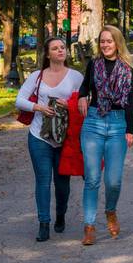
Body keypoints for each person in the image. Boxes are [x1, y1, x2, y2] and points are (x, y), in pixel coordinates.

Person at [15, 36, 84, 242]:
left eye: (63, 47)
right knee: (43, 180)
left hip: (64, 138)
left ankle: (60, 215)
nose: (61, 51)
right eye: (55, 48)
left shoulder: (75, 76)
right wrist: (38, 107)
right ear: (48, 54)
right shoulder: (37, 76)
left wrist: (69, 103)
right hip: (39, 136)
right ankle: (43, 223)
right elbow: (19, 100)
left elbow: (84, 102)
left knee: (62, 183)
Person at [77, 26, 133, 246]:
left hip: (117, 124)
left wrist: (130, 129)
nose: (105, 45)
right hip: (93, 122)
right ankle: (89, 226)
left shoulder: (128, 69)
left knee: (113, 180)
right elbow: (84, 87)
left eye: (109, 41)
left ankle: (110, 211)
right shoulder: (94, 65)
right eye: (102, 41)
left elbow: (130, 101)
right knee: (92, 178)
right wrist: (82, 97)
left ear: (117, 43)